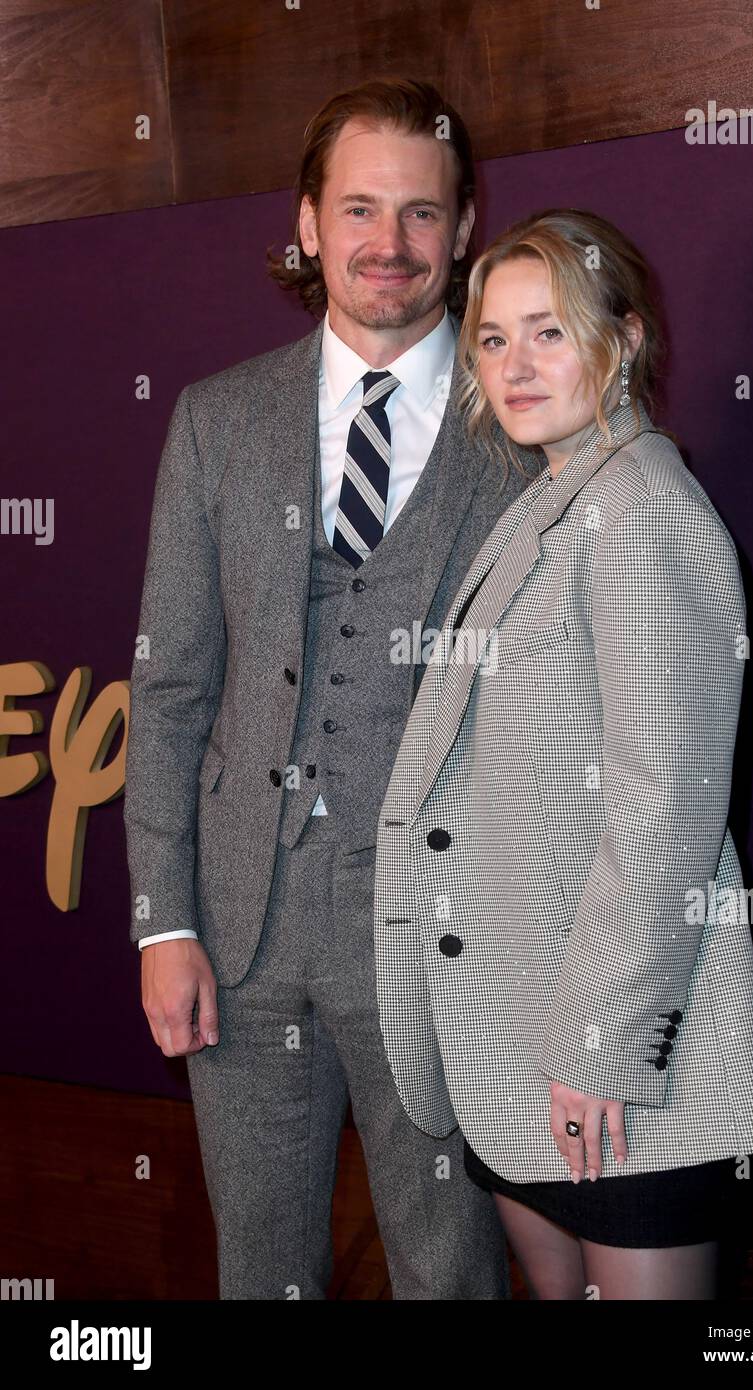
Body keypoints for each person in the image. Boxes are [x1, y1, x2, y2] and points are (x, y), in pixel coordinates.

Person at [123, 78, 544, 1300]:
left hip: (441, 936)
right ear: (308, 223)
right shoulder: (215, 422)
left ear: (464, 229)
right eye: (358, 208)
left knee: (450, 1267)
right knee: (260, 1271)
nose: (389, 245)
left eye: (422, 213)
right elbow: (171, 686)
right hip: (238, 935)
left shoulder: (520, 428)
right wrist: (164, 921)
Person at [373, 208, 753, 1300]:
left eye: (550, 332)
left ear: (627, 340)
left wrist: (599, 1041)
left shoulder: (647, 512)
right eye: (493, 337)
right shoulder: (551, 501)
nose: (516, 366)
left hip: (616, 1057)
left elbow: (666, 811)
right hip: (526, 1040)